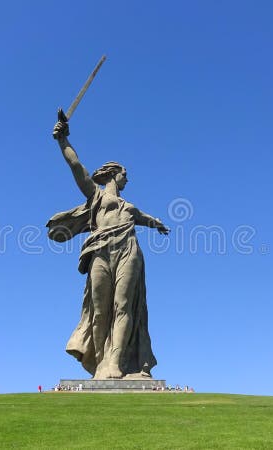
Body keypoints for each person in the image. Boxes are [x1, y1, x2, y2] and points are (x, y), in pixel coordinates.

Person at [48, 112, 169, 379]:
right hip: (101, 250)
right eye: (125, 174)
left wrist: (157, 224)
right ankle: (101, 362)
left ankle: (116, 362)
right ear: (114, 174)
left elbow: (145, 218)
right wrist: (62, 140)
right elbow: (76, 166)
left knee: (123, 305)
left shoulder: (130, 207)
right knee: (100, 310)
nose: (128, 179)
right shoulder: (97, 196)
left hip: (129, 250)